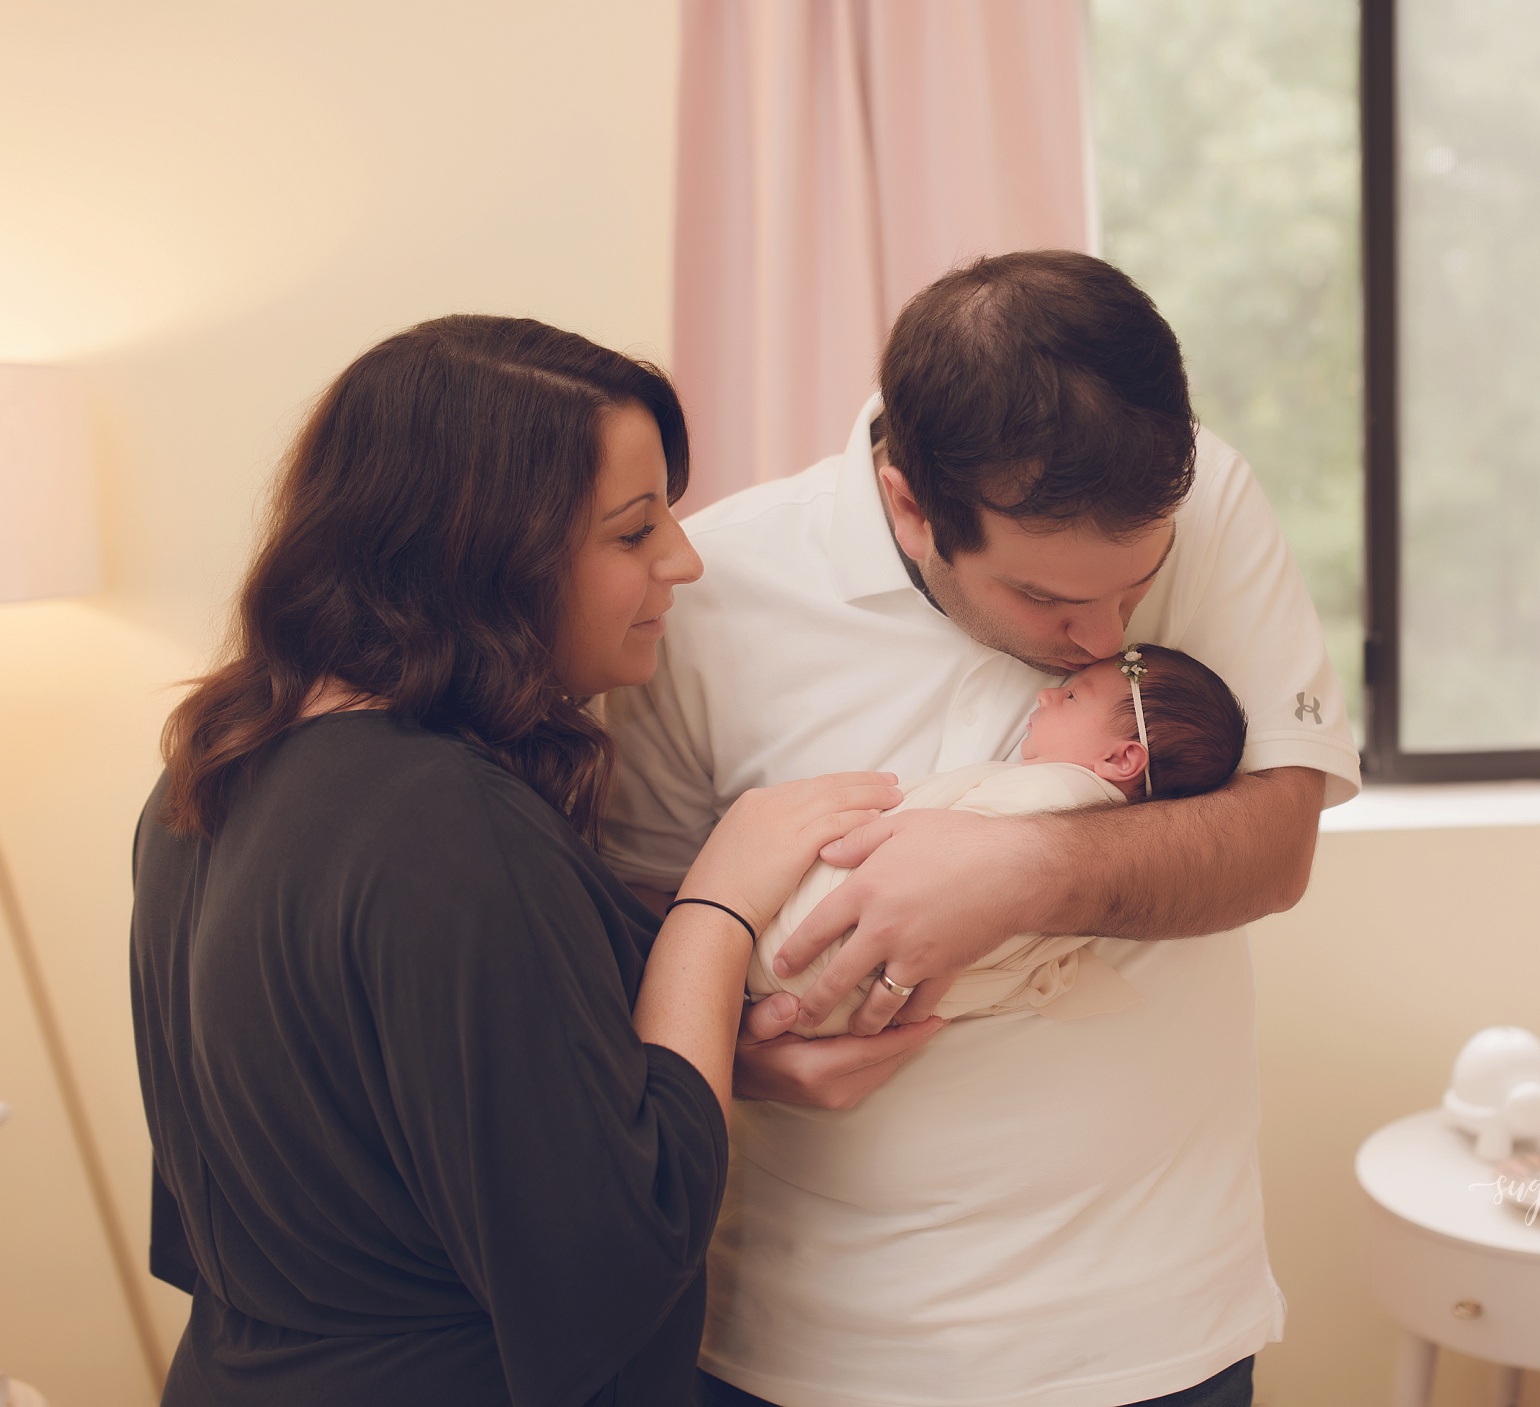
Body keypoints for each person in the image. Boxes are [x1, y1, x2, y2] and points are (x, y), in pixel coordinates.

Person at [602, 250, 1362, 1407]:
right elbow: (640, 925)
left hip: (1157, 1330)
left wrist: (1024, 868)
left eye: (1134, 586)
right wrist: (742, 1051)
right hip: (809, 1348)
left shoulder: (1205, 500)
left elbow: (1274, 847)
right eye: (1047, 601)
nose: (1103, 636)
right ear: (910, 506)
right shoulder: (719, 591)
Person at [130, 315, 902, 1407]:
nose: (684, 558)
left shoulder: (199, 781)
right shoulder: (442, 817)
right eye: (634, 533)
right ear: (477, 556)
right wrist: (718, 905)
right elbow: (620, 1248)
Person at [750, 643, 1249, 1036]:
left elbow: (938, 869)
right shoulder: (1099, 874)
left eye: (1073, 696)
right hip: (834, 1012)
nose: (1047, 695)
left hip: (806, 952)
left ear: (1122, 760)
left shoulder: (1061, 794)